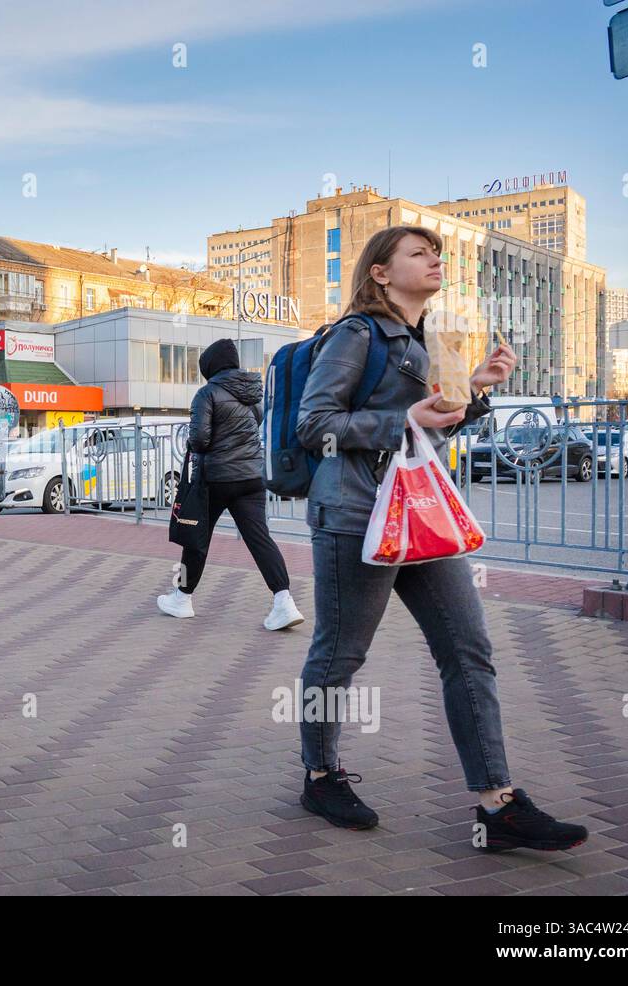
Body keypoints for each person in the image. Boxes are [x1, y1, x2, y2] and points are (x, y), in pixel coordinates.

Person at [293, 224, 587, 853]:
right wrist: (401, 416)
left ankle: (497, 805)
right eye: (419, 253)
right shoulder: (356, 334)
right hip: (354, 515)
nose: (435, 260)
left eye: (438, 253)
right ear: (380, 272)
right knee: (339, 657)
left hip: (417, 514)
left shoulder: (433, 339)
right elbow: (313, 423)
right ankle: (319, 776)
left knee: (469, 649)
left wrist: (473, 391)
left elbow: (432, 433)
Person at [156, 338, 302, 630]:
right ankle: (284, 602)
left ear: (210, 367)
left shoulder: (207, 394)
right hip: (251, 477)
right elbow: (255, 425)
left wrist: (193, 442)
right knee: (259, 539)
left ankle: (182, 598)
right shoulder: (253, 393)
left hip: (217, 479)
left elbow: (200, 439)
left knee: (196, 538)